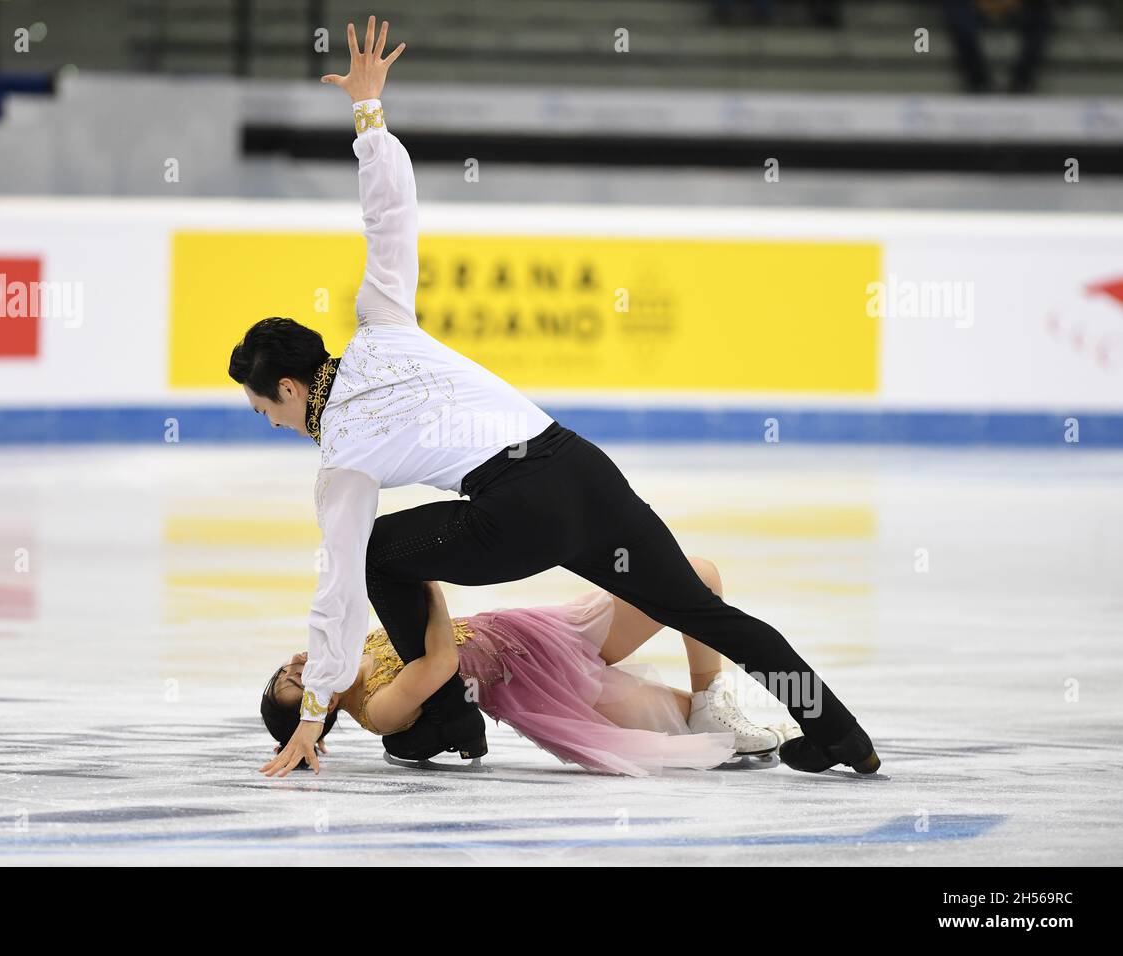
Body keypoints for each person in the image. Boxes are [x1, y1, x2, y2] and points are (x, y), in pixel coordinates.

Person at [233, 16, 878, 778]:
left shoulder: (340, 456)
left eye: (265, 409)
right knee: (709, 617)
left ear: (286, 386)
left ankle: (442, 716)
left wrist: (312, 717)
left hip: (518, 512)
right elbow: (389, 216)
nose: (272, 423)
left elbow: (337, 589)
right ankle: (840, 734)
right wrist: (369, 116)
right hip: (581, 471)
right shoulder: (381, 322)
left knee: (373, 553)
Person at [262, 558, 801, 777]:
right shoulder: (378, 709)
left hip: (545, 631)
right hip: (546, 692)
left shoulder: (349, 647)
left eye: (289, 670)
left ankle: (713, 698)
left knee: (696, 576)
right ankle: (707, 715)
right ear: (321, 709)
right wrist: (425, 581)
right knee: (698, 739)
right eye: (299, 685)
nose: (299, 667)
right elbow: (443, 662)